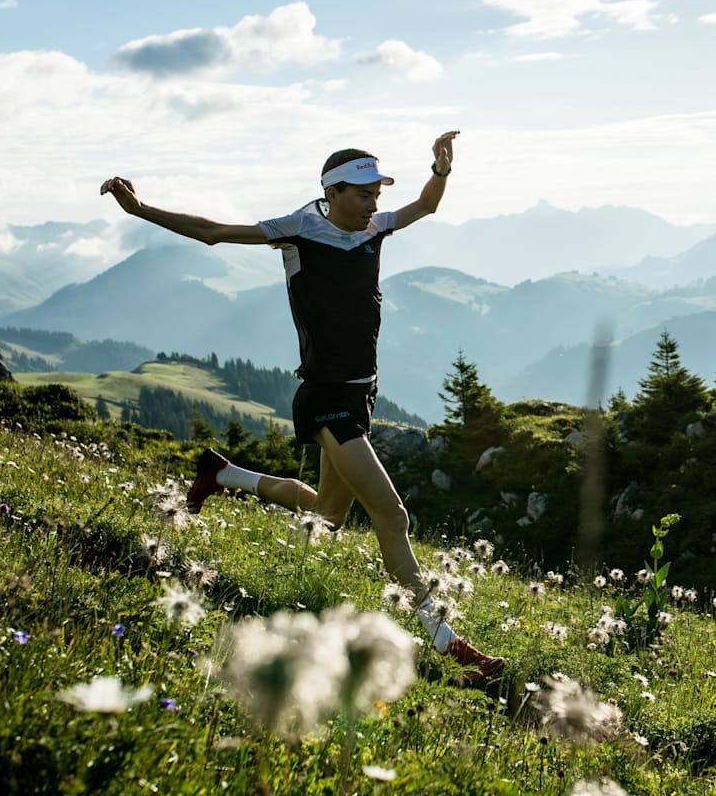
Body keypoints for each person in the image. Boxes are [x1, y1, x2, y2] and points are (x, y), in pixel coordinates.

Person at [100, 131, 504, 683]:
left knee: (327, 517)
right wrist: (140, 209)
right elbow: (214, 233)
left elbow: (427, 205)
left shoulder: (376, 227)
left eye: (378, 191)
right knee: (393, 515)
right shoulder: (298, 231)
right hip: (325, 395)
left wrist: (441, 169)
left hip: (361, 390)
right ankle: (446, 639)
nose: (375, 202)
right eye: (363, 193)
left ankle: (222, 474)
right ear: (332, 193)